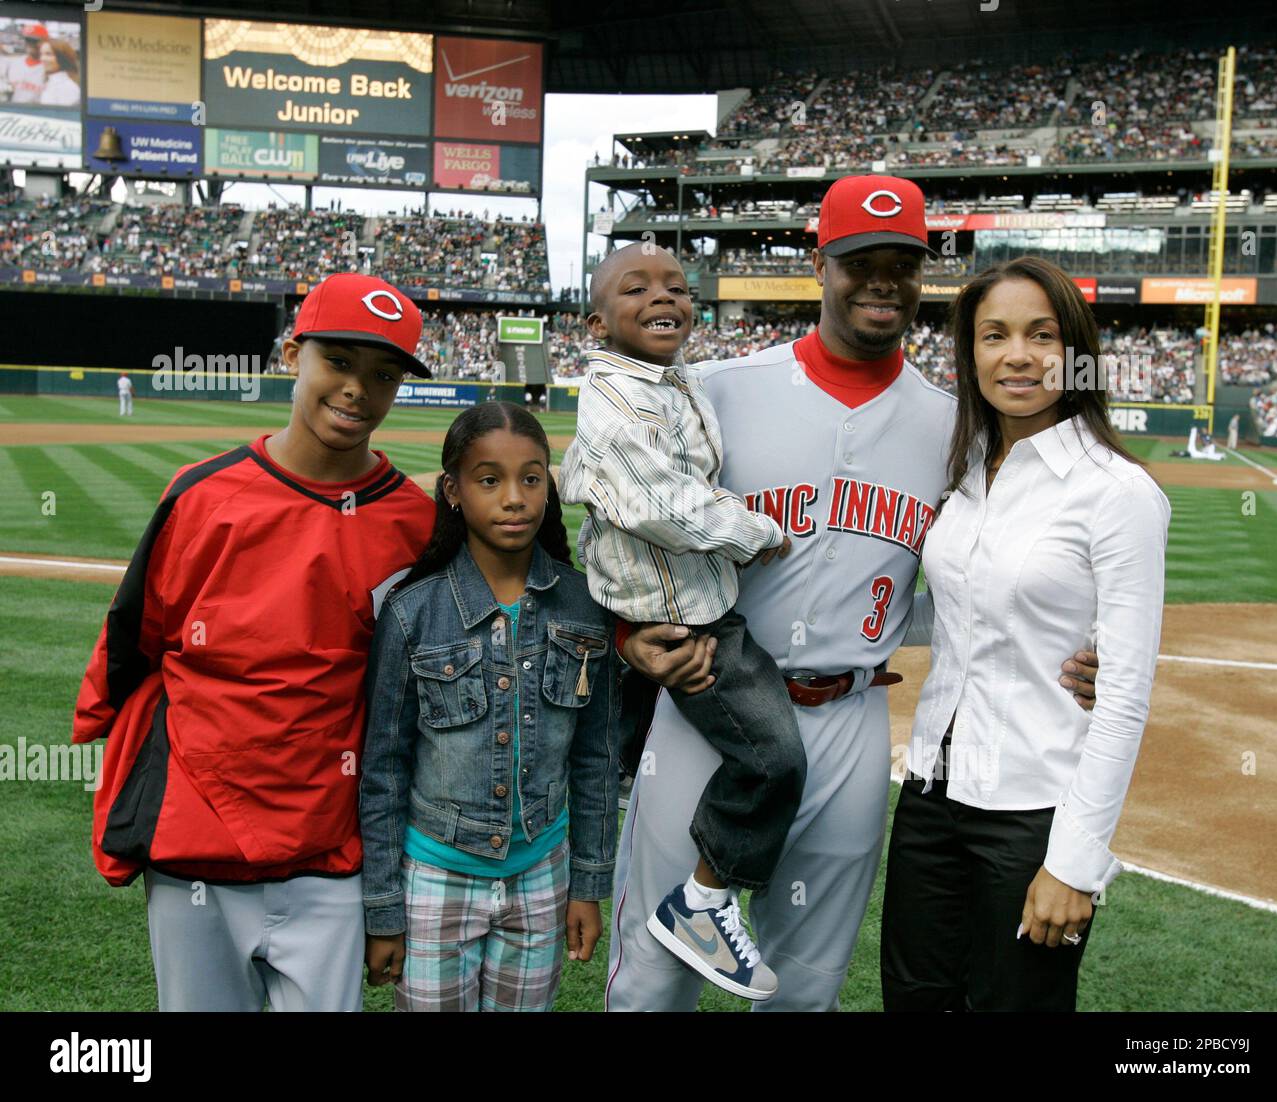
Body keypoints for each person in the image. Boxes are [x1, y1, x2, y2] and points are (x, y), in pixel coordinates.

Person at [605, 175, 1102, 1012]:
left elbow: (1004, 560)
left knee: (805, 987)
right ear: (820, 264)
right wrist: (625, 636)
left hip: (851, 720)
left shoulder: (955, 425)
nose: (882, 281)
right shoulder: (716, 389)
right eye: (859, 261)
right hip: (708, 705)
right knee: (654, 977)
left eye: (901, 264)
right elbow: (620, 524)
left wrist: (1080, 651)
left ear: (921, 276)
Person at [71, 274, 438, 1011]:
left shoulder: (414, 522)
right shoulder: (203, 494)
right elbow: (132, 639)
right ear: (291, 353)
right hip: (197, 840)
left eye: (384, 374)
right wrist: (105, 729)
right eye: (337, 360)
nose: (357, 389)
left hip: (332, 846)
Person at [880, 257, 1169, 1011]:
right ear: (970, 354)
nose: (1017, 355)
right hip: (932, 796)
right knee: (915, 1002)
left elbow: (1126, 695)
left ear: (1075, 351)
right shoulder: (967, 473)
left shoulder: (1118, 492)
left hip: (1034, 814)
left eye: (1042, 335)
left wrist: (1075, 863)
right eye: (993, 335)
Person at [559, 242, 803, 1001]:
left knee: (616, 763)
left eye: (677, 285)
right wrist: (756, 531)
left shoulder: (671, 380)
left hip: (663, 611)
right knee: (773, 762)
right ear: (599, 320)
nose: (663, 296)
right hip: (683, 620)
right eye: (637, 289)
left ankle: (600, 864)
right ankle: (702, 901)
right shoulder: (618, 395)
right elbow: (659, 503)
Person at [359, 403, 620, 1012]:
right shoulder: (412, 611)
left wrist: (588, 884)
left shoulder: (585, 606)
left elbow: (597, 758)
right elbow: (384, 770)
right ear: (452, 489)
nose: (514, 498)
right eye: (489, 479)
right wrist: (382, 908)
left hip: (541, 877)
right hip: (434, 879)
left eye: (532, 478)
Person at [0, 23, 47, 104]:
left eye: (34, 41)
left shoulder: (51, 68)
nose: (30, 44)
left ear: (45, 41)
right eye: (27, 40)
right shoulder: (13, 63)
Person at [37, 38, 79, 107]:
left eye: (48, 54)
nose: (42, 58)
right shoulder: (50, 81)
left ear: (62, 57)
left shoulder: (68, 87)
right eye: (41, 54)